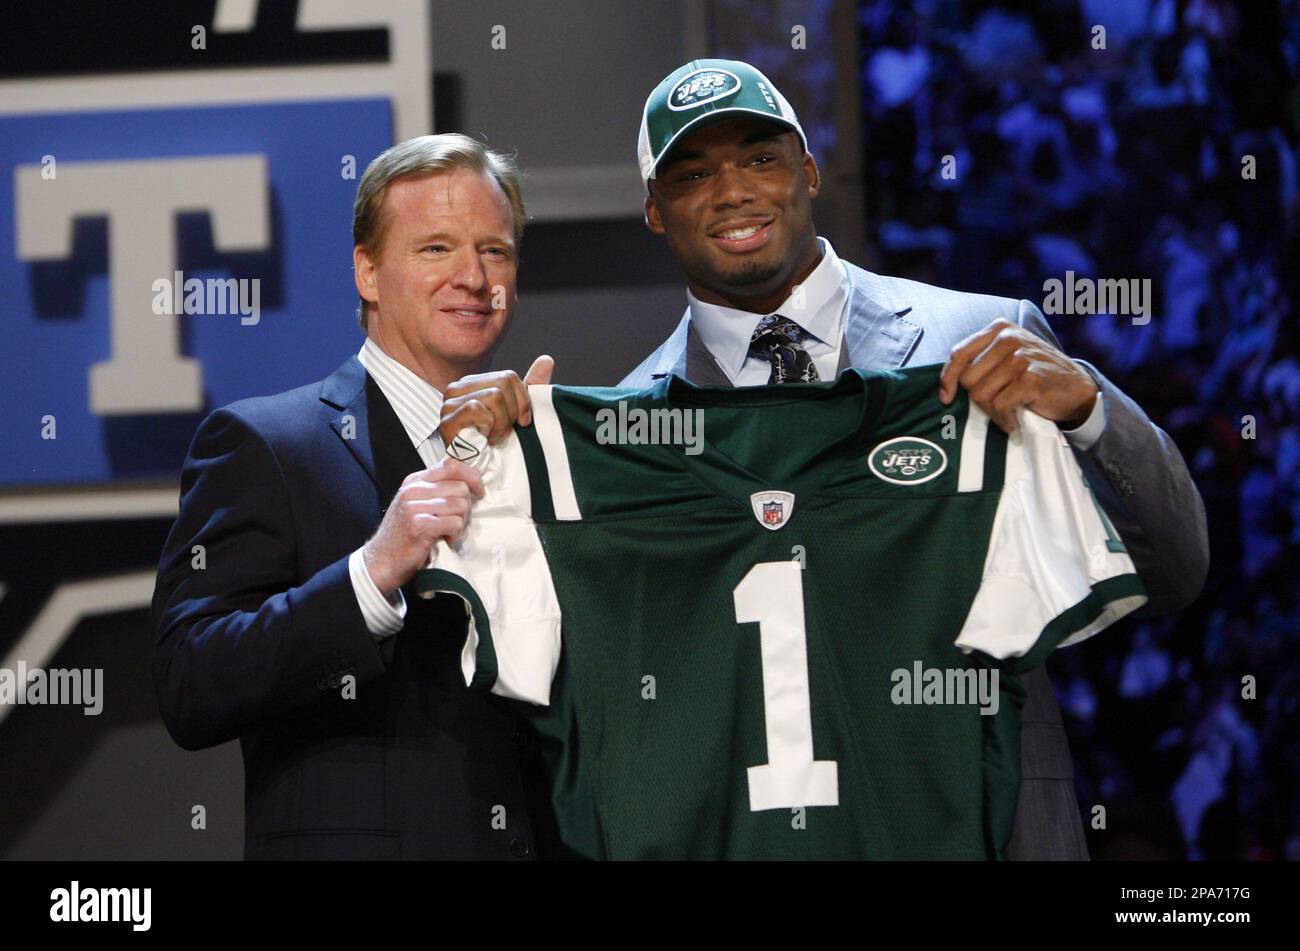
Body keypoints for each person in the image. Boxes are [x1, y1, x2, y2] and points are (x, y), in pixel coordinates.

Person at [441, 60, 1210, 860]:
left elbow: (1174, 571)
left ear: (808, 172)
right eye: (694, 174)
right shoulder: (622, 437)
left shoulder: (984, 342)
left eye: (760, 158)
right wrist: (498, 458)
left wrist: (1089, 408)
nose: (733, 191)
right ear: (655, 213)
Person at [151, 134, 556, 860]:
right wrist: (369, 575)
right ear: (368, 271)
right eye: (436, 248)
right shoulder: (268, 445)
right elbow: (190, 681)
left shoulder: (543, 451)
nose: (473, 277)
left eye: (494, 251)